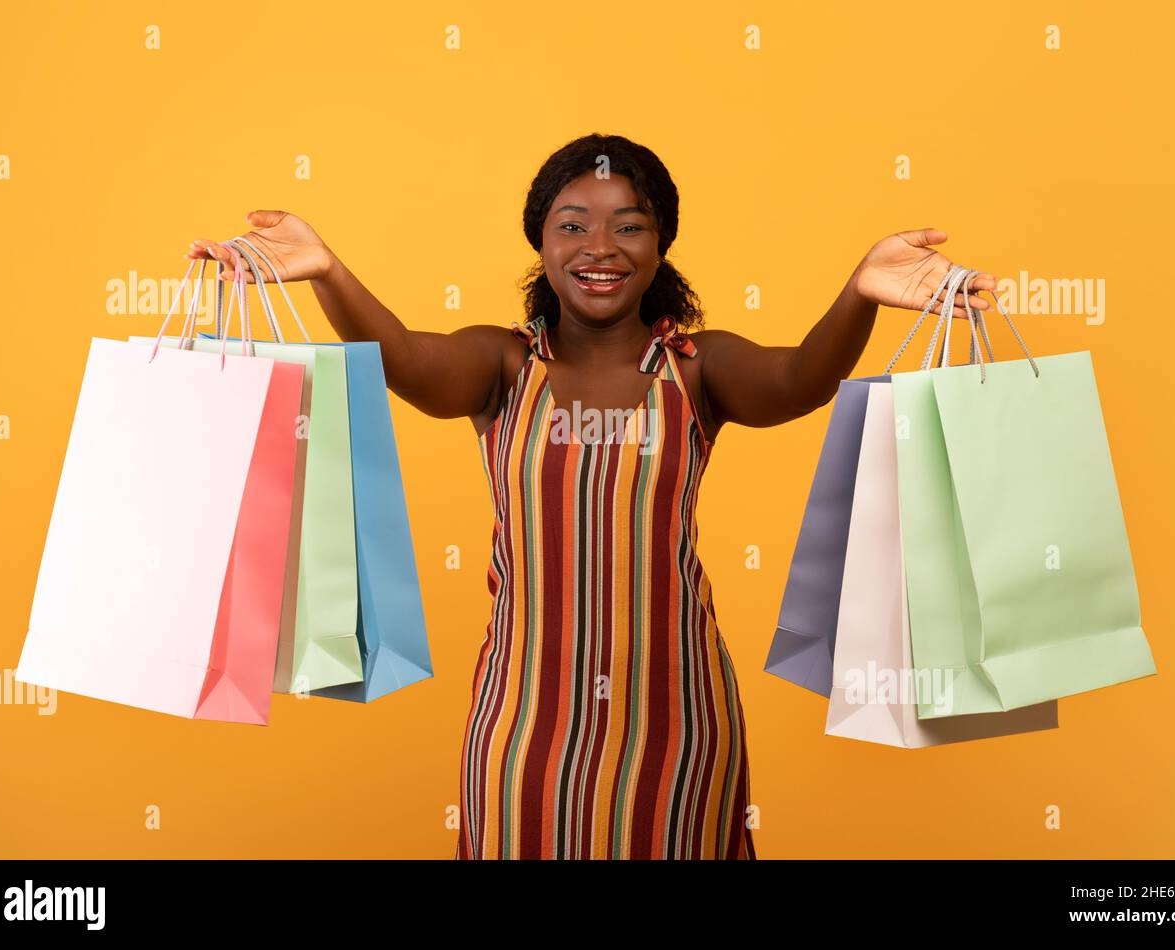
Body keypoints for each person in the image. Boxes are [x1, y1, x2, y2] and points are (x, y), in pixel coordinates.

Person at [188, 133, 992, 860]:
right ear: (540, 243)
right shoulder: (503, 367)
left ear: (659, 244)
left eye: (628, 225)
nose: (599, 247)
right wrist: (327, 270)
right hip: (523, 723)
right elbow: (401, 356)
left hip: (679, 719)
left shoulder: (696, 368)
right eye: (572, 224)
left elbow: (802, 381)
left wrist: (860, 292)